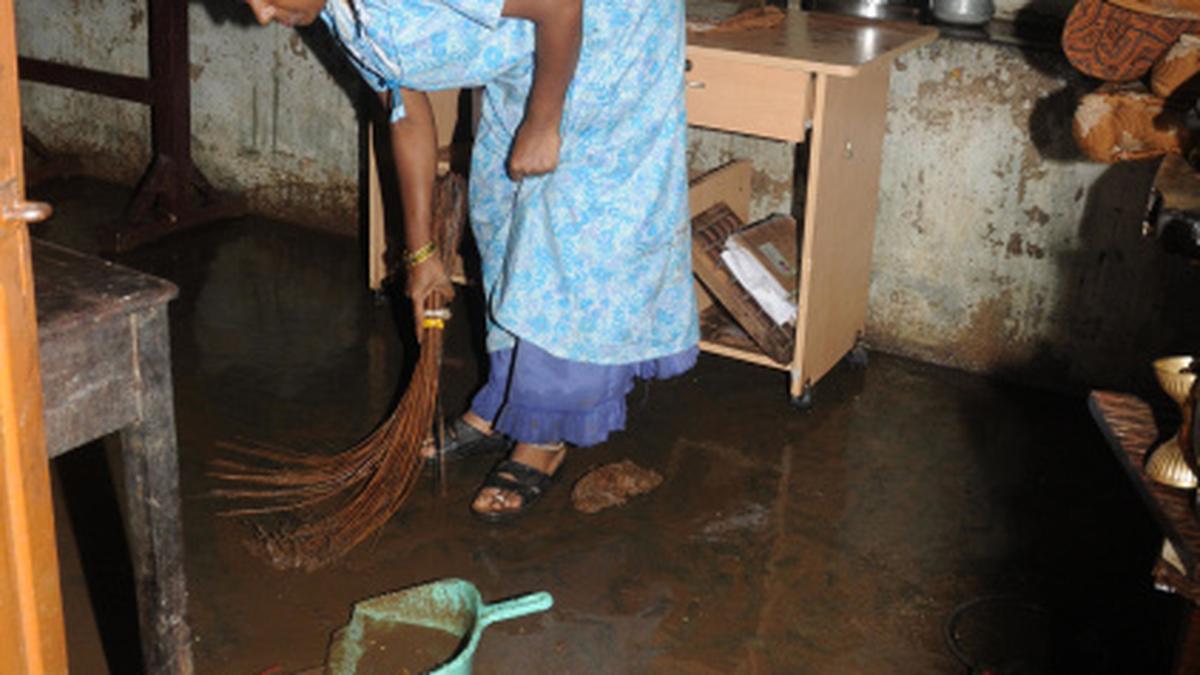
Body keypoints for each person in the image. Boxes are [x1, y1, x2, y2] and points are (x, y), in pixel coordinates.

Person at [245, 0, 699, 521]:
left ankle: (545, 434)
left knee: (570, 239)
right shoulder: (340, 12)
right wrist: (422, 258)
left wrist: (544, 121)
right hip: (532, 46)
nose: (260, 14)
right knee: (500, 208)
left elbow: (560, 8)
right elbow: (404, 111)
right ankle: (509, 396)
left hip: (611, 33)